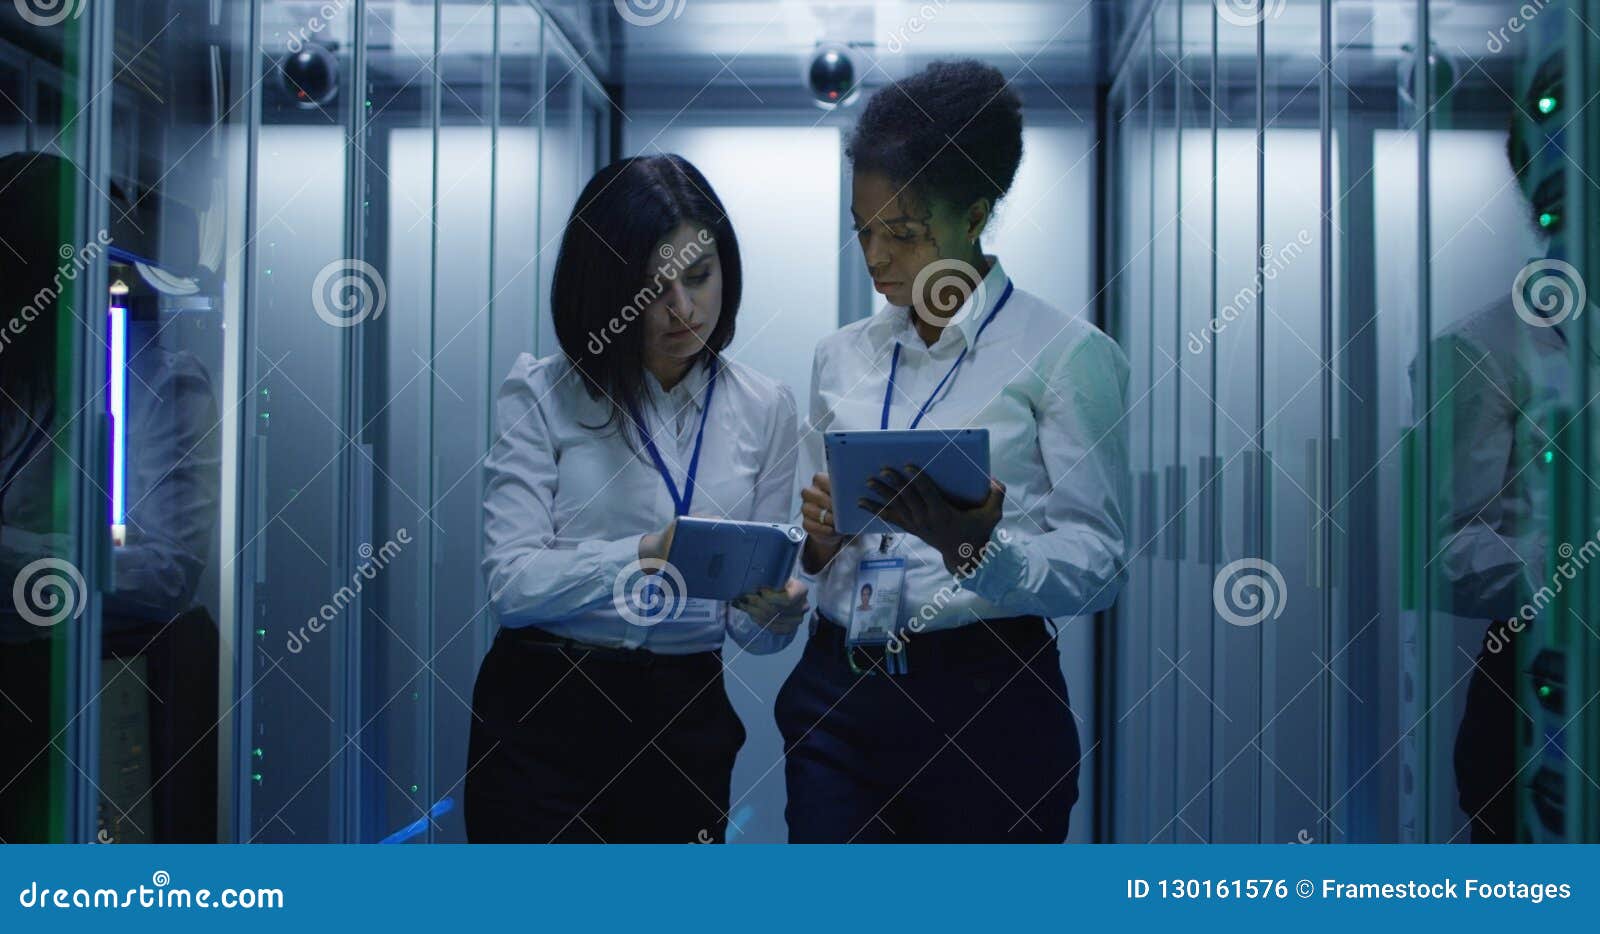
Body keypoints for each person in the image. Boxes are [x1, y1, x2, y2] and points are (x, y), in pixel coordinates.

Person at [775, 60, 1130, 843]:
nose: (875, 257)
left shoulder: (1067, 353)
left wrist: (984, 555)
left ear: (974, 215)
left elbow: (1101, 560)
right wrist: (818, 541)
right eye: (863, 229)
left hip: (988, 699)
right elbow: (811, 548)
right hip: (839, 691)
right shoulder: (840, 356)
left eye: (902, 233)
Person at [466, 155, 809, 843]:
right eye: (653, 287)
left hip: (686, 712)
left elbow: (751, 630)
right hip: (546, 706)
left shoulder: (765, 407)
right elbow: (511, 582)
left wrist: (778, 615)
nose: (683, 308)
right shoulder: (543, 394)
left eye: (699, 277)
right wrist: (646, 553)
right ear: (606, 287)